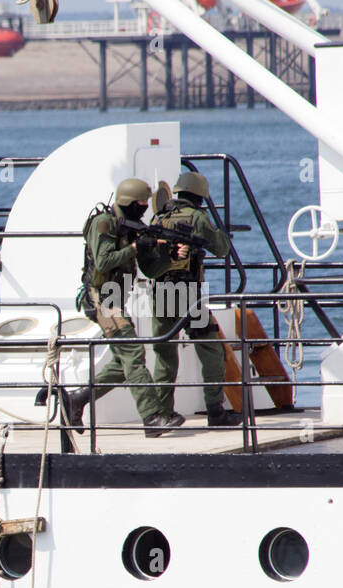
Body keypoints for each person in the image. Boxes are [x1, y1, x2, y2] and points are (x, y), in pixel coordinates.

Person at [65, 178, 184, 438]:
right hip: (101, 298)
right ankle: (152, 418)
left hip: (116, 298)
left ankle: (77, 399)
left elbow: (150, 269)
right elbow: (105, 261)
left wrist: (170, 257)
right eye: (140, 204)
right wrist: (134, 247)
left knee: (122, 364)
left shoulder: (134, 228)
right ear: (128, 203)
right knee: (133, 354)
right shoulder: (104, 223)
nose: (143, 209)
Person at [144, 171, 240, 427]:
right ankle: (216, 412)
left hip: (160, 292)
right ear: (199, 197)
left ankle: (163, 413)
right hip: (187, 295)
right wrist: (221, 232)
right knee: (210, 348)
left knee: (165, 354)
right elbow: (221, 249)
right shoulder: (198, 217)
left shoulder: (160, 216)